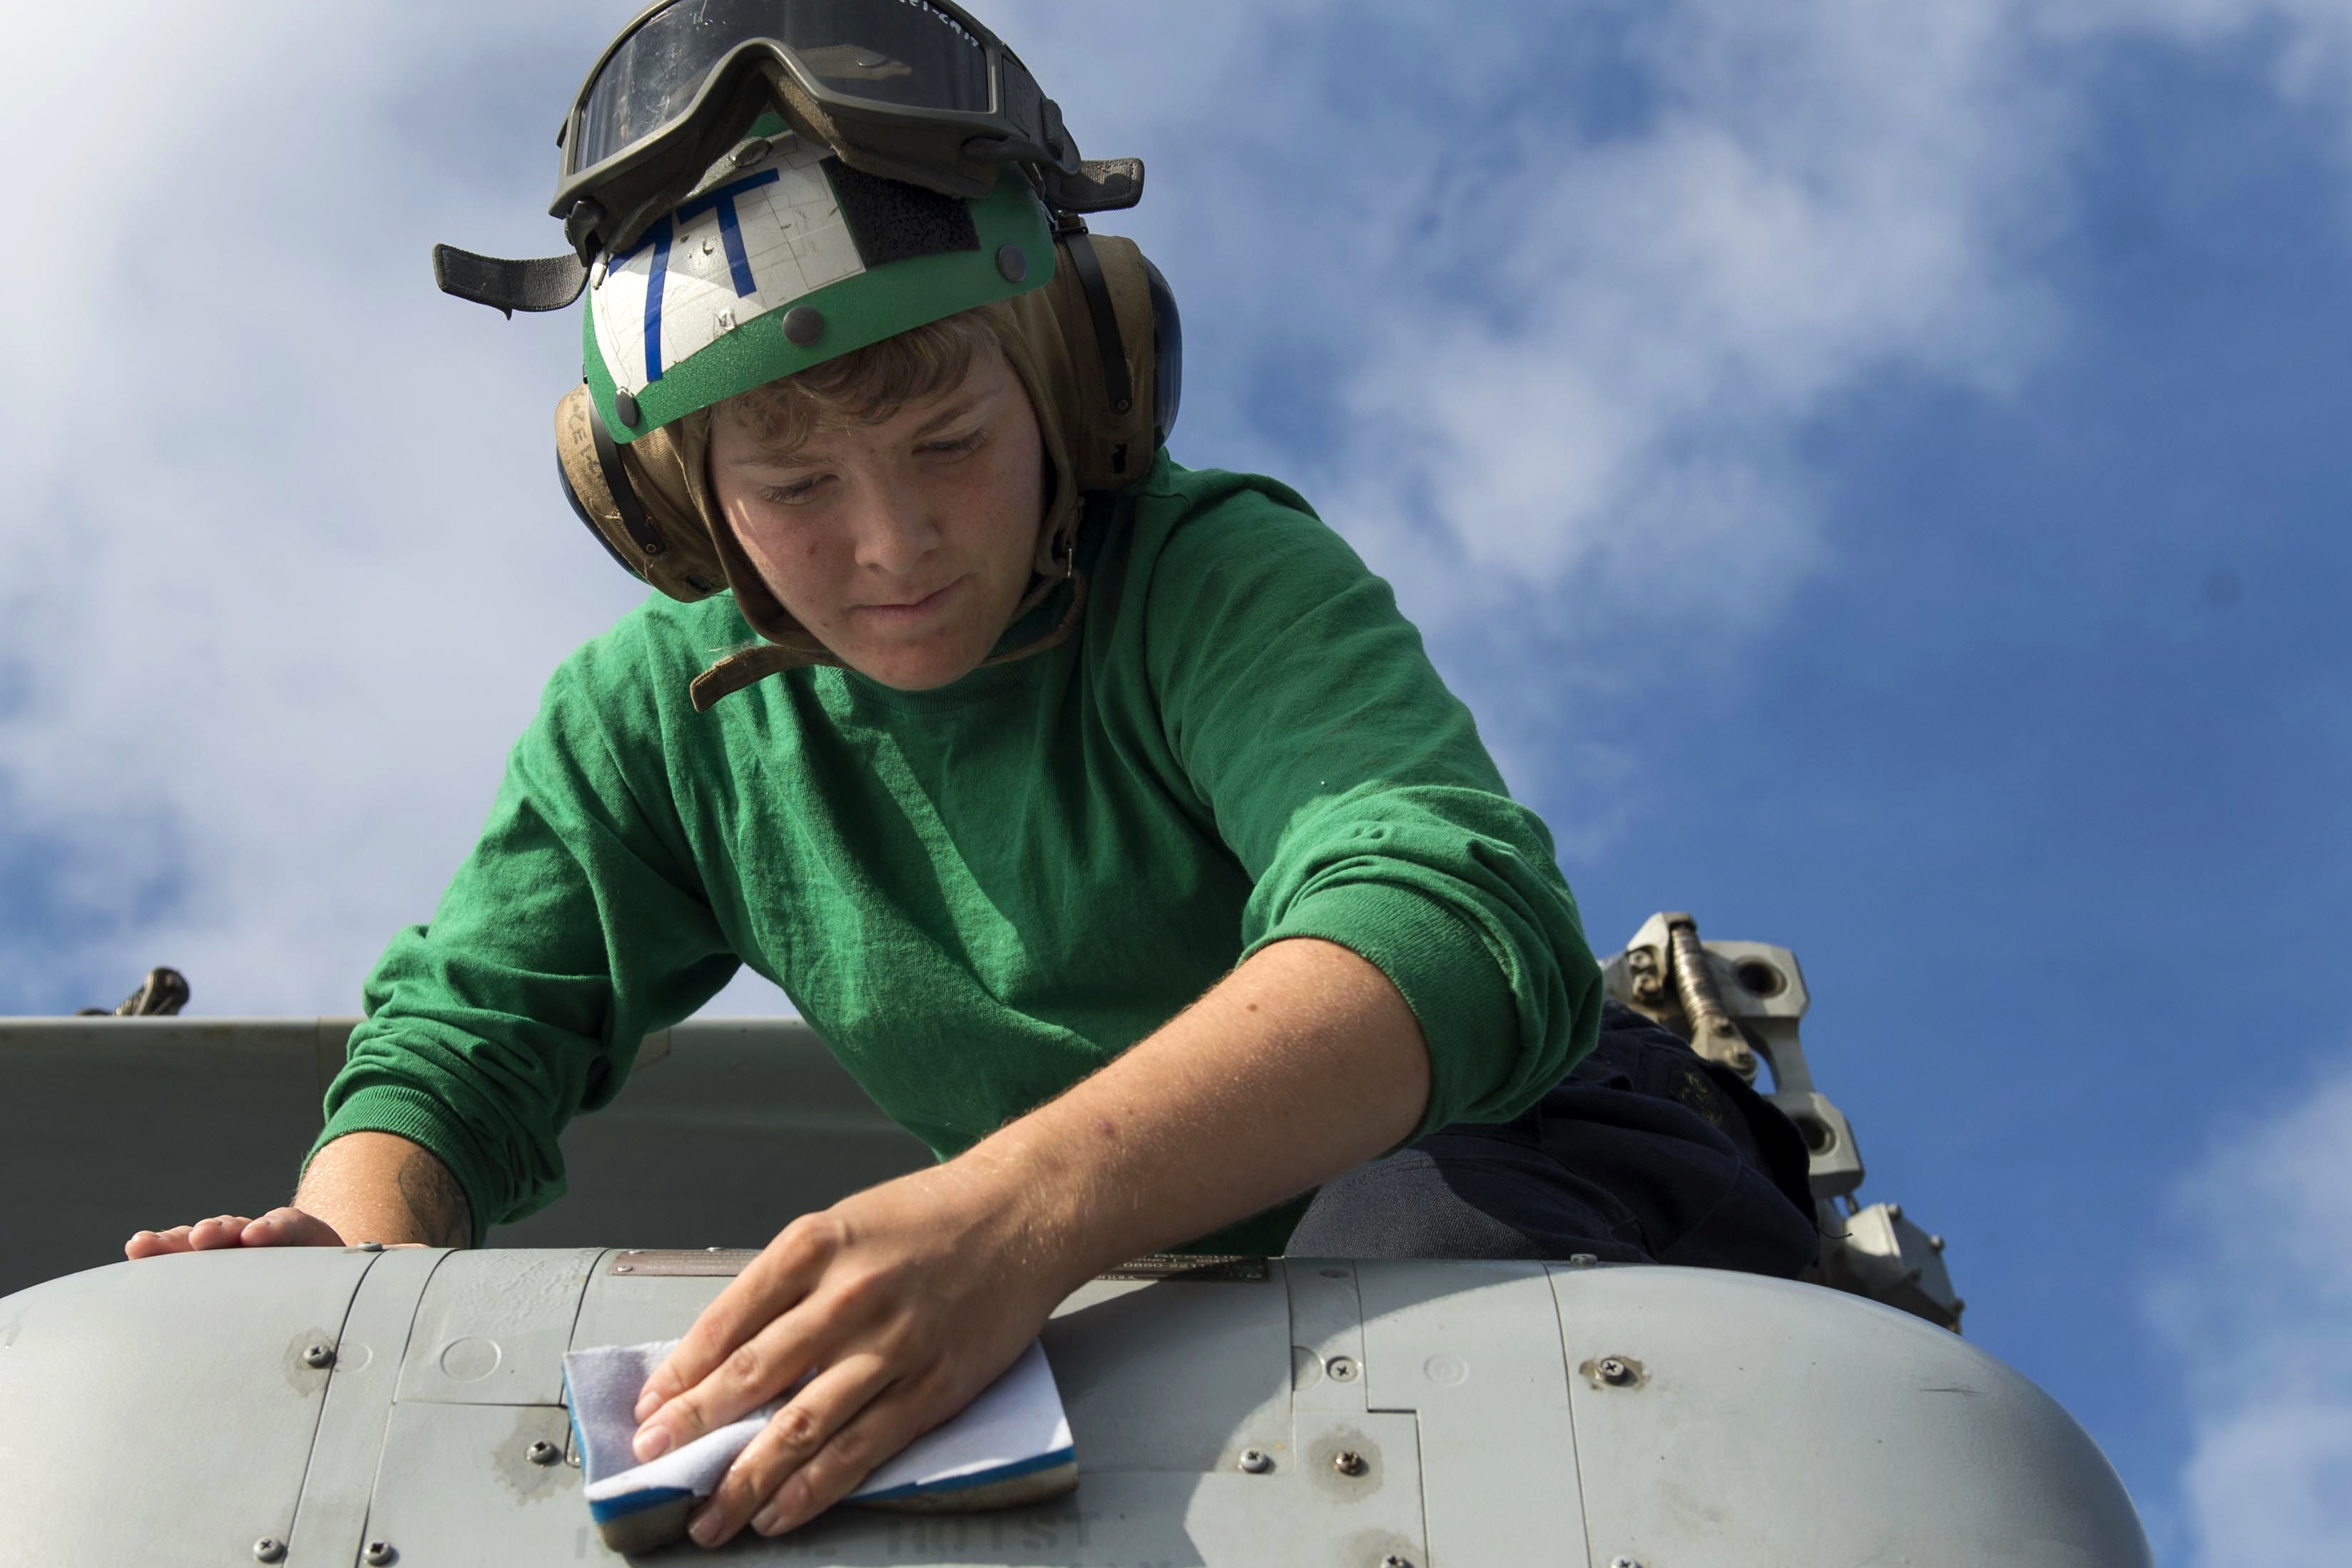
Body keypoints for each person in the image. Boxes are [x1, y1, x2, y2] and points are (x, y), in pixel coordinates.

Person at [125, 0, 1816, 1547]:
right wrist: (340, 1265)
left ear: (1073, 373)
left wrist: (1010, 1215)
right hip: (1137, 1266)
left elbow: (1447, 919)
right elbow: (465, 1039)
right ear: (672, 505)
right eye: (790, 484)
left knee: (1383, 1385)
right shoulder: (654, 720)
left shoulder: (1207, 576)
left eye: (948, 442)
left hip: (1521, 1151)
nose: (892, 544)